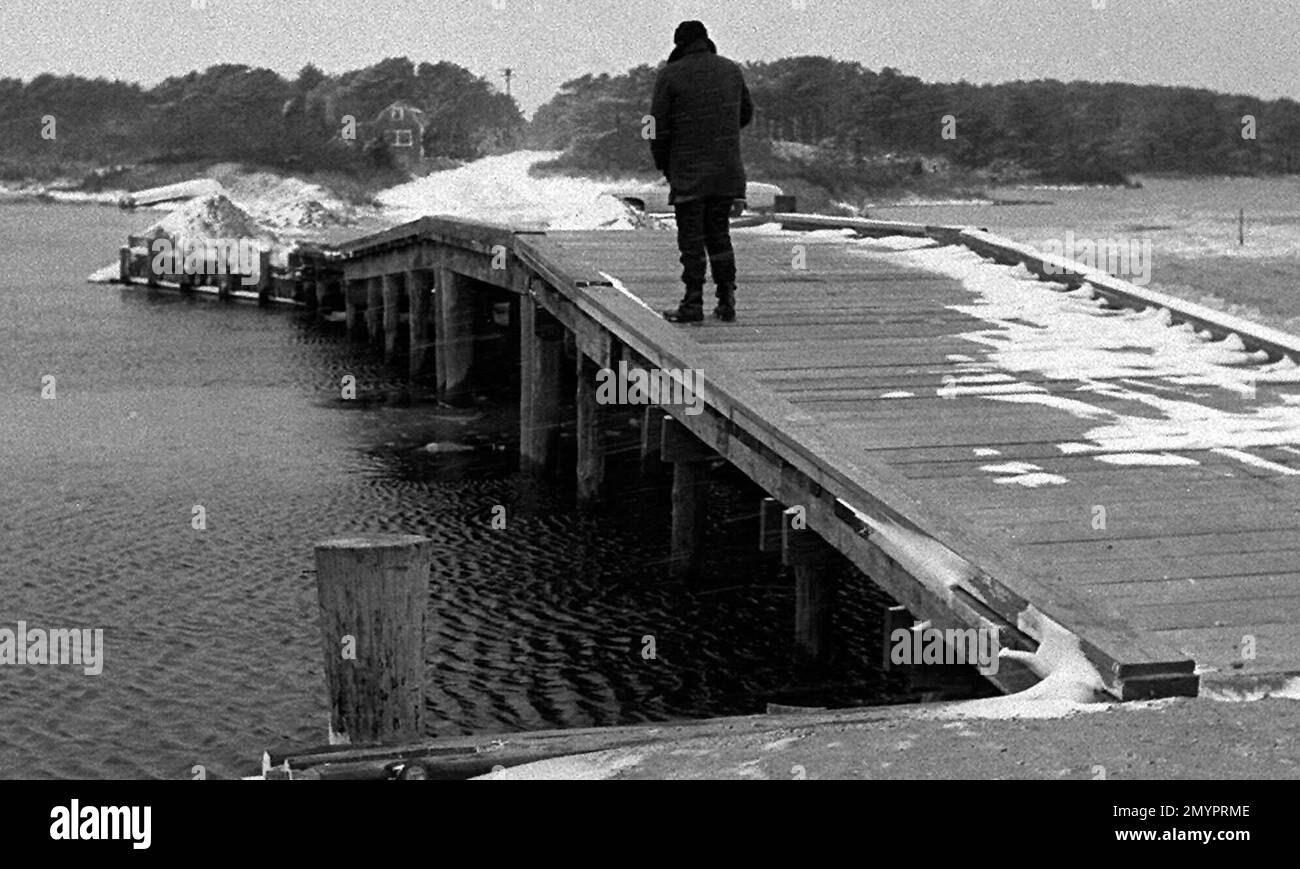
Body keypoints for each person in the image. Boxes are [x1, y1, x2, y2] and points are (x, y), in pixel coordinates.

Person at [649, 20, 753, 323]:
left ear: (679, 45)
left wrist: (664, 163)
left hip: (688, 171)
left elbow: (656, 126)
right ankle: (727, 300)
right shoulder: (731, 70)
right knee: (719, 236)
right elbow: (745, 113)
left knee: (692, 240)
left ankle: (693, 303)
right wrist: (720, 132)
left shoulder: (669, 76)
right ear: (706, 40)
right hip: (725, 170)